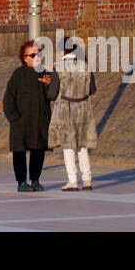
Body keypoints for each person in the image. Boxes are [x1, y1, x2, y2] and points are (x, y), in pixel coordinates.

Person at [2, 39, 58, 193]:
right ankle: (21, 181)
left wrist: (49, 84)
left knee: (38, 151)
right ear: (25, 58)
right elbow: (8, 98)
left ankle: (35, 180)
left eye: (38, 54)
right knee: (19, 152)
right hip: (21, 122)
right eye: (33, 55)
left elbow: (52, 96)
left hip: (40, 120)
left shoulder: (45, 73)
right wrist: (14, 118)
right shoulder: (18, 75)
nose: (37, 57)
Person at [49, 40, 98, 191]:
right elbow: (92, 90)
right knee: (82, 145)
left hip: (65, 108)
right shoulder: (85, 67)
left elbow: (52, 93)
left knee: (68, 146)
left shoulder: (58, 68)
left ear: (63, 52)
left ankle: (72, 180)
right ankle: (87, 179)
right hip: (83, 107)